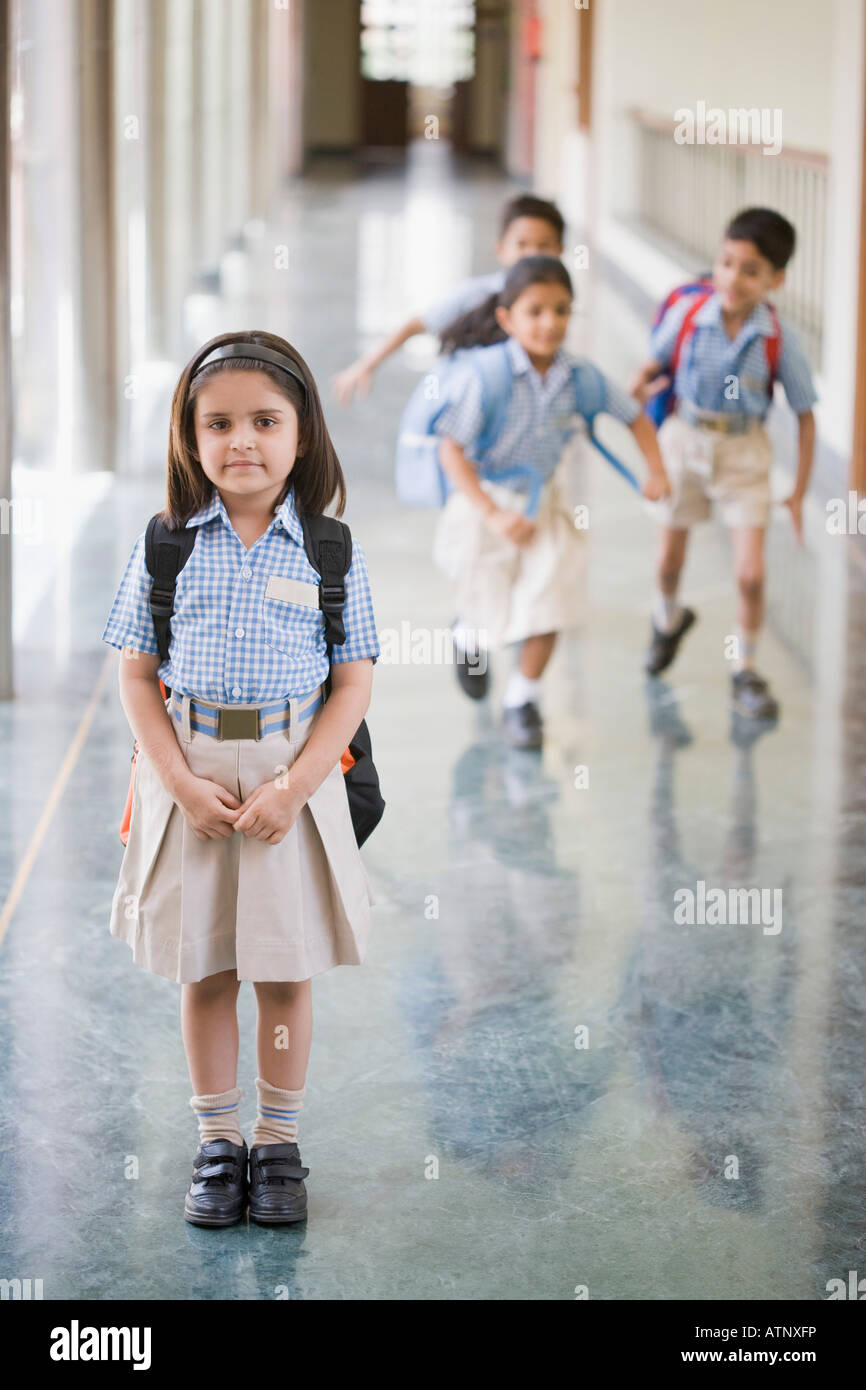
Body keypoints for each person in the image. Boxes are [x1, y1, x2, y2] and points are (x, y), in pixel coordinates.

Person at [101, 330, 380, 1227]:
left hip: (291, 772)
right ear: (189, 436)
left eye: (265, 420)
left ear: (303, 433)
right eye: (217, 424)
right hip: (192, 775)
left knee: (284, 966)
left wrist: (296, 786)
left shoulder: (330, 549)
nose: (241, 442)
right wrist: (177, 781)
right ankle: (218, 1139)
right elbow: (138, 675)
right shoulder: (167, 544)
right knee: (207, 964)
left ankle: (278, 1141)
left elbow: (354, 681)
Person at [430, 255, 671, 749]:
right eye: (535, 311)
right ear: (507, 318)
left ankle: (523, 698)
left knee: (551, 596)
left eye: (562, 311)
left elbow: (634, 416)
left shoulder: (580, 377)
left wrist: (657, 471)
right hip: (484, 502)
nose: (550, 323)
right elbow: (449, 449)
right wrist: (493, 513)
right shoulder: (487, 377)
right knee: (485, 600)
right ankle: (468, 637)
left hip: (544, 502)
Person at [629, 207, 818, 719]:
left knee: (750, 576)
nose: (733, 277)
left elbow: (804, 416)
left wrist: (798, 492)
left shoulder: (779, 338)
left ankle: (746, 670)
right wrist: (631, 393)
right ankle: (667, 619)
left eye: (751, 269)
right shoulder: (690, 315)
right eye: (727, 262)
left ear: (776, 280)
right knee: (669, 561)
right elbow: (655, 364)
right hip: (684, 442)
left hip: (745, 453)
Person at [332, 193, 565, 405]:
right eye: (522, 245)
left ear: (560, 251)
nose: (532, 255)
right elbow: (416, 324)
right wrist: (366, 365)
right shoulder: (477, 294)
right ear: (501, 249)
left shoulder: (560, 303)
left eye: (543, 245)